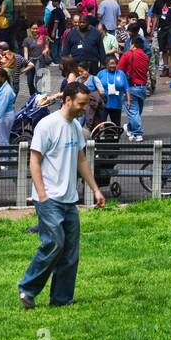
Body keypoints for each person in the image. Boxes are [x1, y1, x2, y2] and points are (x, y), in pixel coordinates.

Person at [18, 83, 104, 310]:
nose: (84, 109)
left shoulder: (75, 127)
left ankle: (61, 299)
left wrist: (95, 189)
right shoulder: (47, 125)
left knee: (70, 252)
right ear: (67, 100)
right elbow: (34, 161)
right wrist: (42, 195)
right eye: (81, 103)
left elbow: (81, 160)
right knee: (54, 243)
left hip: (69, 199)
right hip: (48, 199)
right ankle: (27, 288)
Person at [118, 34, 150, 142]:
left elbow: (119, 71)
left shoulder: (127, 55)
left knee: (133, 112)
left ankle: (137, 133)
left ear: (133, 45)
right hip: (142, 88)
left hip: (130, 88)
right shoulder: (145, 57)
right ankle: (131, 128)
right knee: (137, 112)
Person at [93, 55, 129, 127]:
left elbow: (127, 88)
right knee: (101, 125)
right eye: (111, 64)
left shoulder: (121, 74)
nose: (113, 65)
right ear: (106, 65)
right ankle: (101, 137)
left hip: (116, 104)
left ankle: (116, 138)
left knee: (116, 125)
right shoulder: (101, 74)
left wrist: (129, 101)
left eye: (114, 63)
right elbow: (95, 86)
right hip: (103, 104)